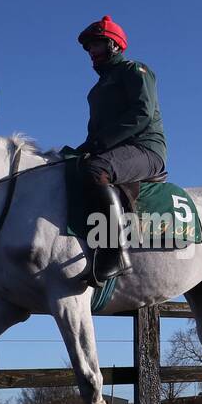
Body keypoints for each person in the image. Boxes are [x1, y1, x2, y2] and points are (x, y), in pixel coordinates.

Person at [73, 15, 168, 286]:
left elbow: (142, 113)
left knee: (97, 170)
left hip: (145, 149)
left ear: (114, 45)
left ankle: (116, 255)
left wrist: (98, 146)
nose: (91, 52)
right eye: (89, 47)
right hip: (114, 150)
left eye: (97, 45)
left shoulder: (136, 71)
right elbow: (95, 134)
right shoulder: (96, 90)